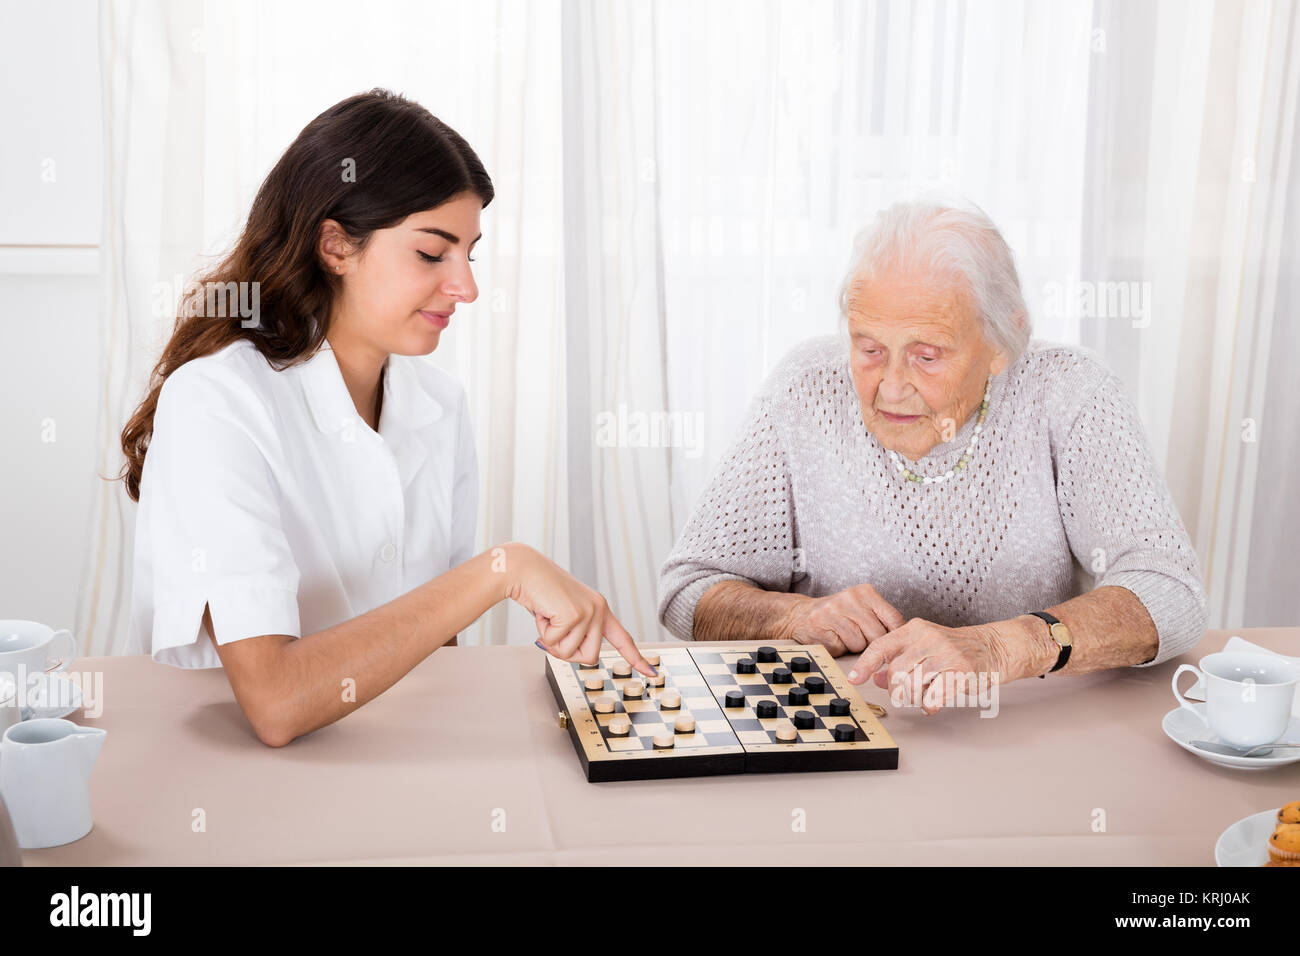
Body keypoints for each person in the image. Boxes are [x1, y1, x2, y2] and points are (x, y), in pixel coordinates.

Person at [122, 89, 654, 748]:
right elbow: (276, 703)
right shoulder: (216, 402)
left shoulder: (439, 405)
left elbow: (438, 641)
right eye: (433, 253)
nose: (466, 286)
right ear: (336, 246)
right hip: (236, 781)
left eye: (470, 252)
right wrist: (503, 568)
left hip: (404, 750)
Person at [657, 198, 1208, 714]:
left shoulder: (1070, 392)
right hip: (843, 723)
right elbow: (689, 590)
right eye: (870, 349)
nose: (891, 388)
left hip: (1030, 727)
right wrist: (792, 616)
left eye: (926, 355)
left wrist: (1001, 646)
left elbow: (1170, 590)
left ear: (1002, 340)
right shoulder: (805, 389)